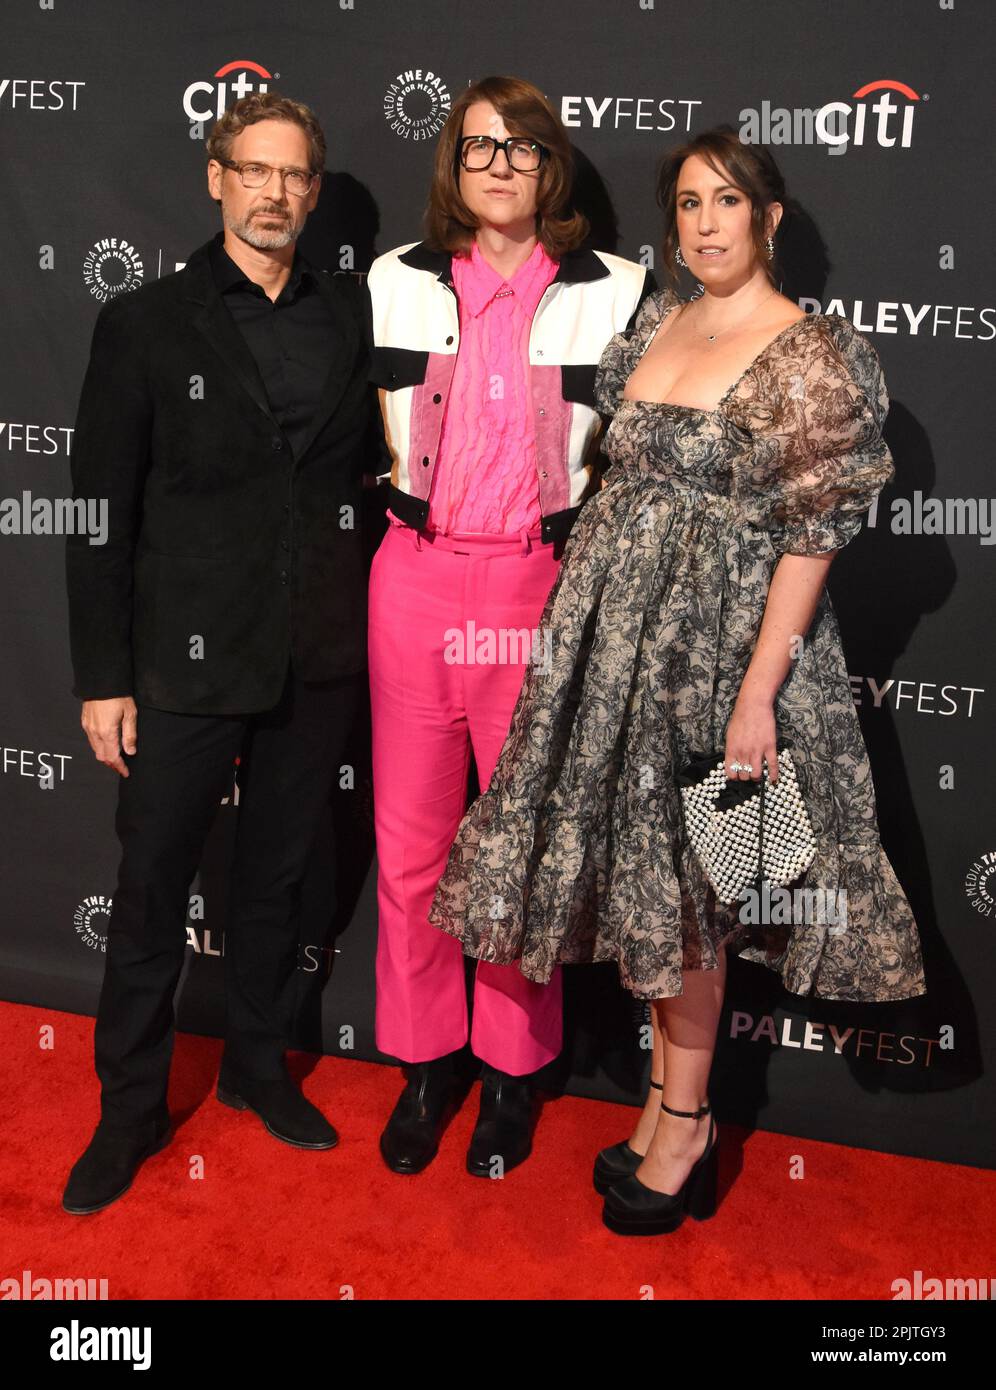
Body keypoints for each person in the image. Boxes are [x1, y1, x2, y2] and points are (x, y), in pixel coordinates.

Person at [428, 125, 927, 1230]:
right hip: (612, 653)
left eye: (728, 203)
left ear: (771, 217)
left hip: (721, 662)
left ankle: (690, 1122)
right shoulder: (663, 314)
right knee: (650, 882)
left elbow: (813, 537)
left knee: (706, 892)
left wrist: (759, 691)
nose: (705, 224)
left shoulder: (813, 353)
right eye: (690, 204)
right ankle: (663, 1102)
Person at [62, 92, 383, 1214]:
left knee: (280, 882)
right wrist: (103, 676)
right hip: (182, 664)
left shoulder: (349, 313)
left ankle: (254, 1068)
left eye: (295, 175)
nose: (274, 193)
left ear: (313, 187)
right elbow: (101, 511)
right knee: (151, 889)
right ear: (215, 176)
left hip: (316, 657)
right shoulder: (148, 323)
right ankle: (129, 1107)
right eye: (253, 169)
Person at [365, 75, 654, 1177]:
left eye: (521, 148)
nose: (498, 164)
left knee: (523, 847)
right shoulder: (395, 279)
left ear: (551, 168)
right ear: (453, 162)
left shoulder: (618, 289)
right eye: (479, 146)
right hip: (414, 581)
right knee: (412, 848)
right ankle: (426, 1059)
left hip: (539, 588)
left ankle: (512, 1072)